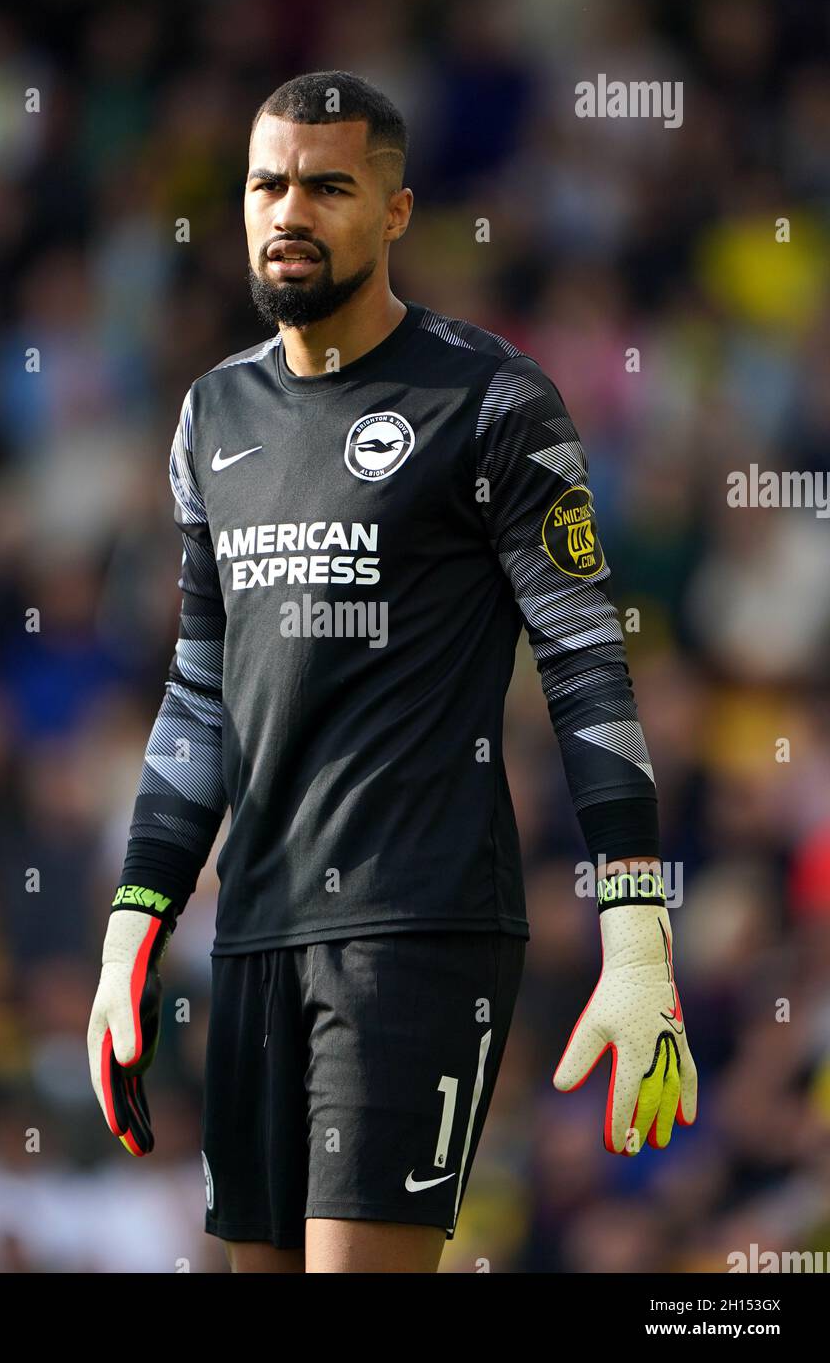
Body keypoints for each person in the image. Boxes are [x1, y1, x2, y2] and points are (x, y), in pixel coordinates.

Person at [88, 70, 697, 1274]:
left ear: (396, 211)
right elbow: (199, 691)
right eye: (267, 184)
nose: (288, 212)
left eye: (327, 186)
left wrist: (635, 922)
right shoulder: (212, 415)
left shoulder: (489, 400)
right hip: (256, 930)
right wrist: (131, 924)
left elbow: (584, 662)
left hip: (416, 928)